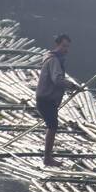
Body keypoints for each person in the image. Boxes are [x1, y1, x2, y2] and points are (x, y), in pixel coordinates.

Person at [35, 34, 82, 167]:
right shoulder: (53, 60)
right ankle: (47, 158)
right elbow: (57, 80)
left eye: (67, 47)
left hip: (47, 99)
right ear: (57, 45)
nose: (66, 49)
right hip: (46, 99)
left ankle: (48, 157)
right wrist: (72, 86)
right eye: (64, 46)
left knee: (52, 126)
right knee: (52, 126)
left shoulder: (52, 58)